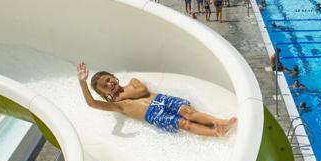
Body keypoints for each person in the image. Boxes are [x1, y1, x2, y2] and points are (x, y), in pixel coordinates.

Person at [76, 62, 236, 137]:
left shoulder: (132, 83)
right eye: (105, 86)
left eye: (108, 79)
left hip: (161, 100)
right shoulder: (117, 106)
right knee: (185, 124)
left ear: (113, 76)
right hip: (152, 115)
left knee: (189, 112)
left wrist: (120, 95)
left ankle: (221, 121)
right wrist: (82, 82)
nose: (109, 84)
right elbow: (91, 103)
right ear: (103, 94)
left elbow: (142, 91)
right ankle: (215, 132)